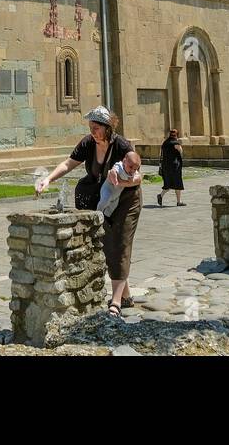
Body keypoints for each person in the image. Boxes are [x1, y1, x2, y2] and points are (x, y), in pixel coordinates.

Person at [35, 106, 142, 318]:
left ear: (107, 128)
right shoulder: (88, 143)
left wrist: (120, 180)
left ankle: (117, 301)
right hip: (103, 198)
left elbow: (138, 177)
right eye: (91, 127)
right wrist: (47, 179)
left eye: (96, 128)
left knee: (120, 243)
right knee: (106, 243)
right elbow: (68, 163)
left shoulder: (121, 146)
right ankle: (127, 295)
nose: (92, 132)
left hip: (126, 200)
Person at [98, 150, 141, 218]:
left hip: (116, 195)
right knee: (105, 199)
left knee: (113, 207)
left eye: (135, 169)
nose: (132, 170)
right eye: (130, 167)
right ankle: (98, 212)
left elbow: (138, 177)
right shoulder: (119, 166)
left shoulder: (133, 172)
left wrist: (132, 180)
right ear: (124, 161)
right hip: (108, 188)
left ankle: (105, 217)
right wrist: (115, 179)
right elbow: (113, 171)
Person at [157, 128, 185, 207]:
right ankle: (178, 202)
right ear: (176, 135)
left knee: (168, 184)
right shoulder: (175, 143)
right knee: (178, 183)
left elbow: (160, 154)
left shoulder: (165, 143)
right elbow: (181, 152)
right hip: (174, 166)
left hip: (166, 166)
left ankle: (161, 195)